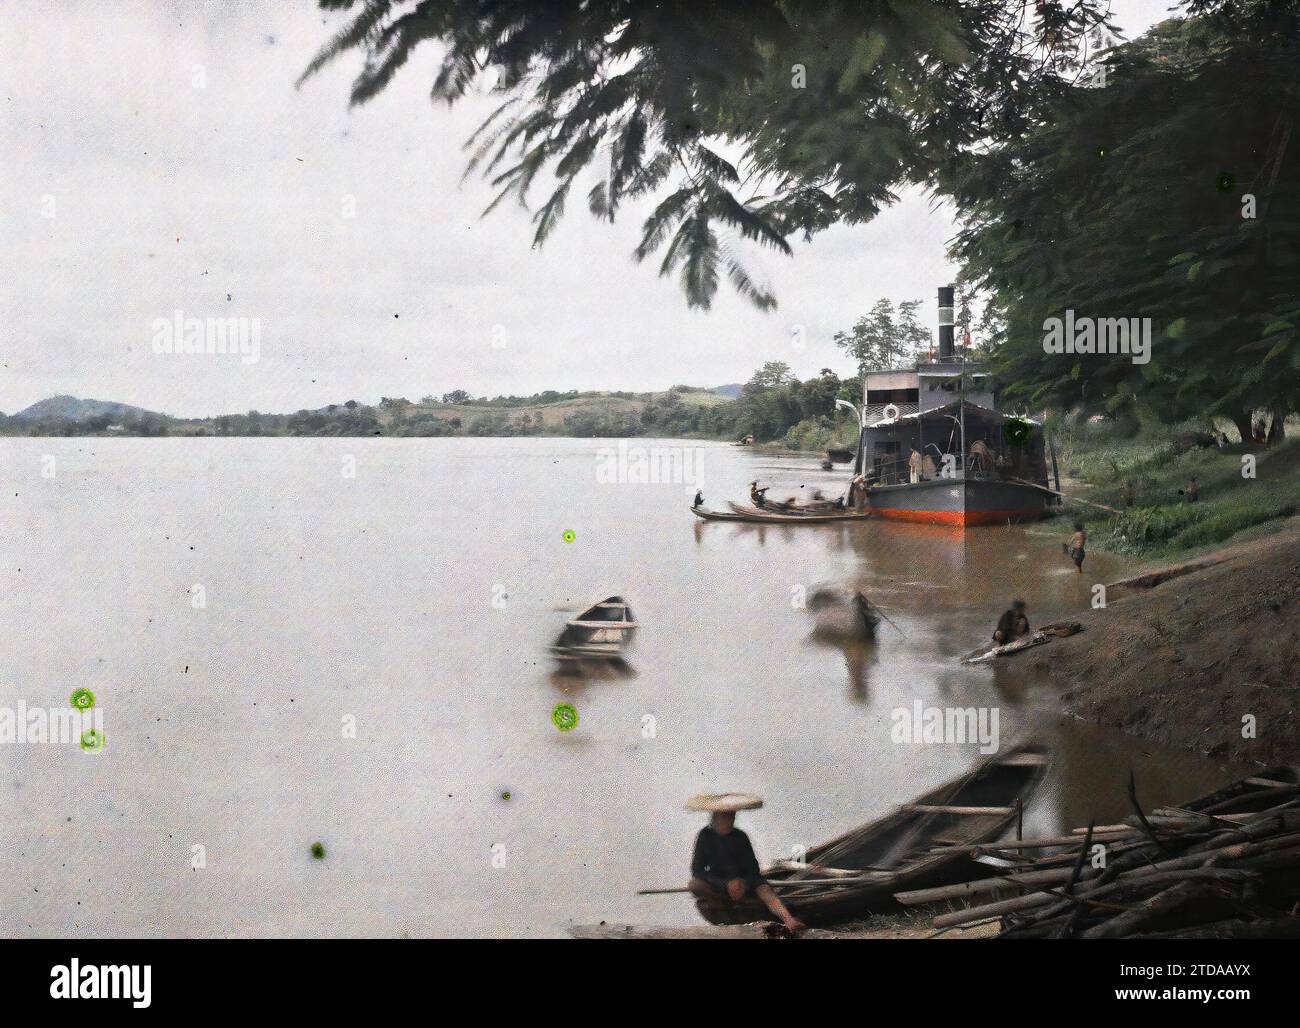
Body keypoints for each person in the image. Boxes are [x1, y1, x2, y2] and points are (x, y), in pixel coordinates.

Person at [689, 807, 805, 933]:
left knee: (765, 890)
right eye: (725, 816)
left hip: (745, 881)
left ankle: (789, 920)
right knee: (695, 885)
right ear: (715, 817)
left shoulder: (740, 836)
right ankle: (725, 909)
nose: (729, 820)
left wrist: (743, 883)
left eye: (731, 816)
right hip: (718, 882)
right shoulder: (705, 836)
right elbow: (697, 870)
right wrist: (725, 884)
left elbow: (753, 870)